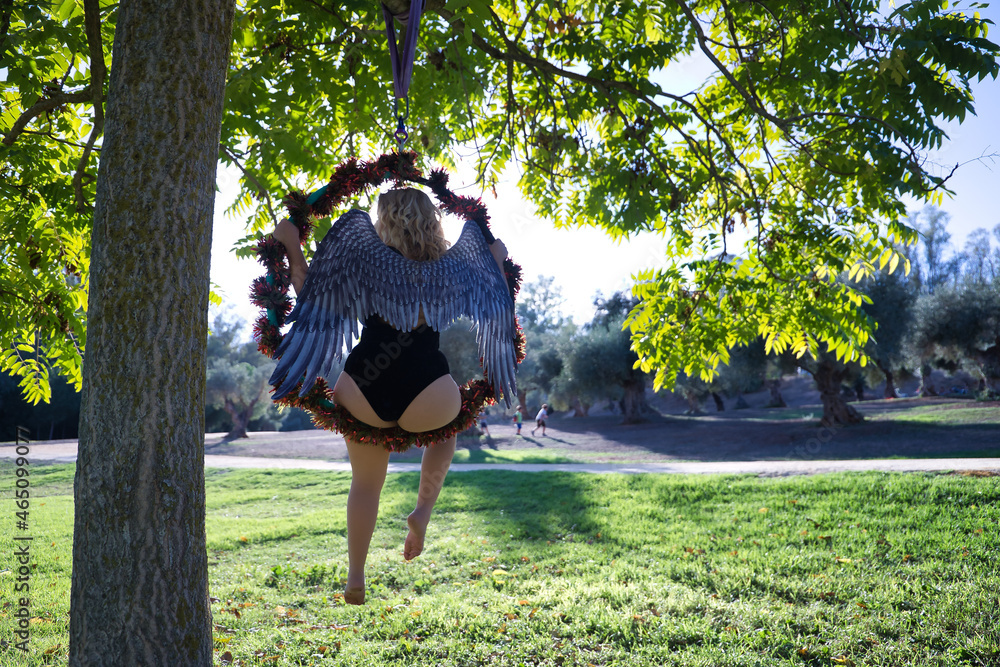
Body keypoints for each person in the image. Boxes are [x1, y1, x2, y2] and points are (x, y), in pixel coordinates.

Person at [272, 188, 508, 606]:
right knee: (447, 432)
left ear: (385, 221)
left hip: (365, 384)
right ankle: (422, 511)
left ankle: (356, 574)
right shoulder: (453, 263)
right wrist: (498, 259)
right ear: (432, 221)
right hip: (428, 388)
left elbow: (309, 292)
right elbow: (497, 289)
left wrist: (291, 243)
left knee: (365, 484)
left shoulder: (363, 254)